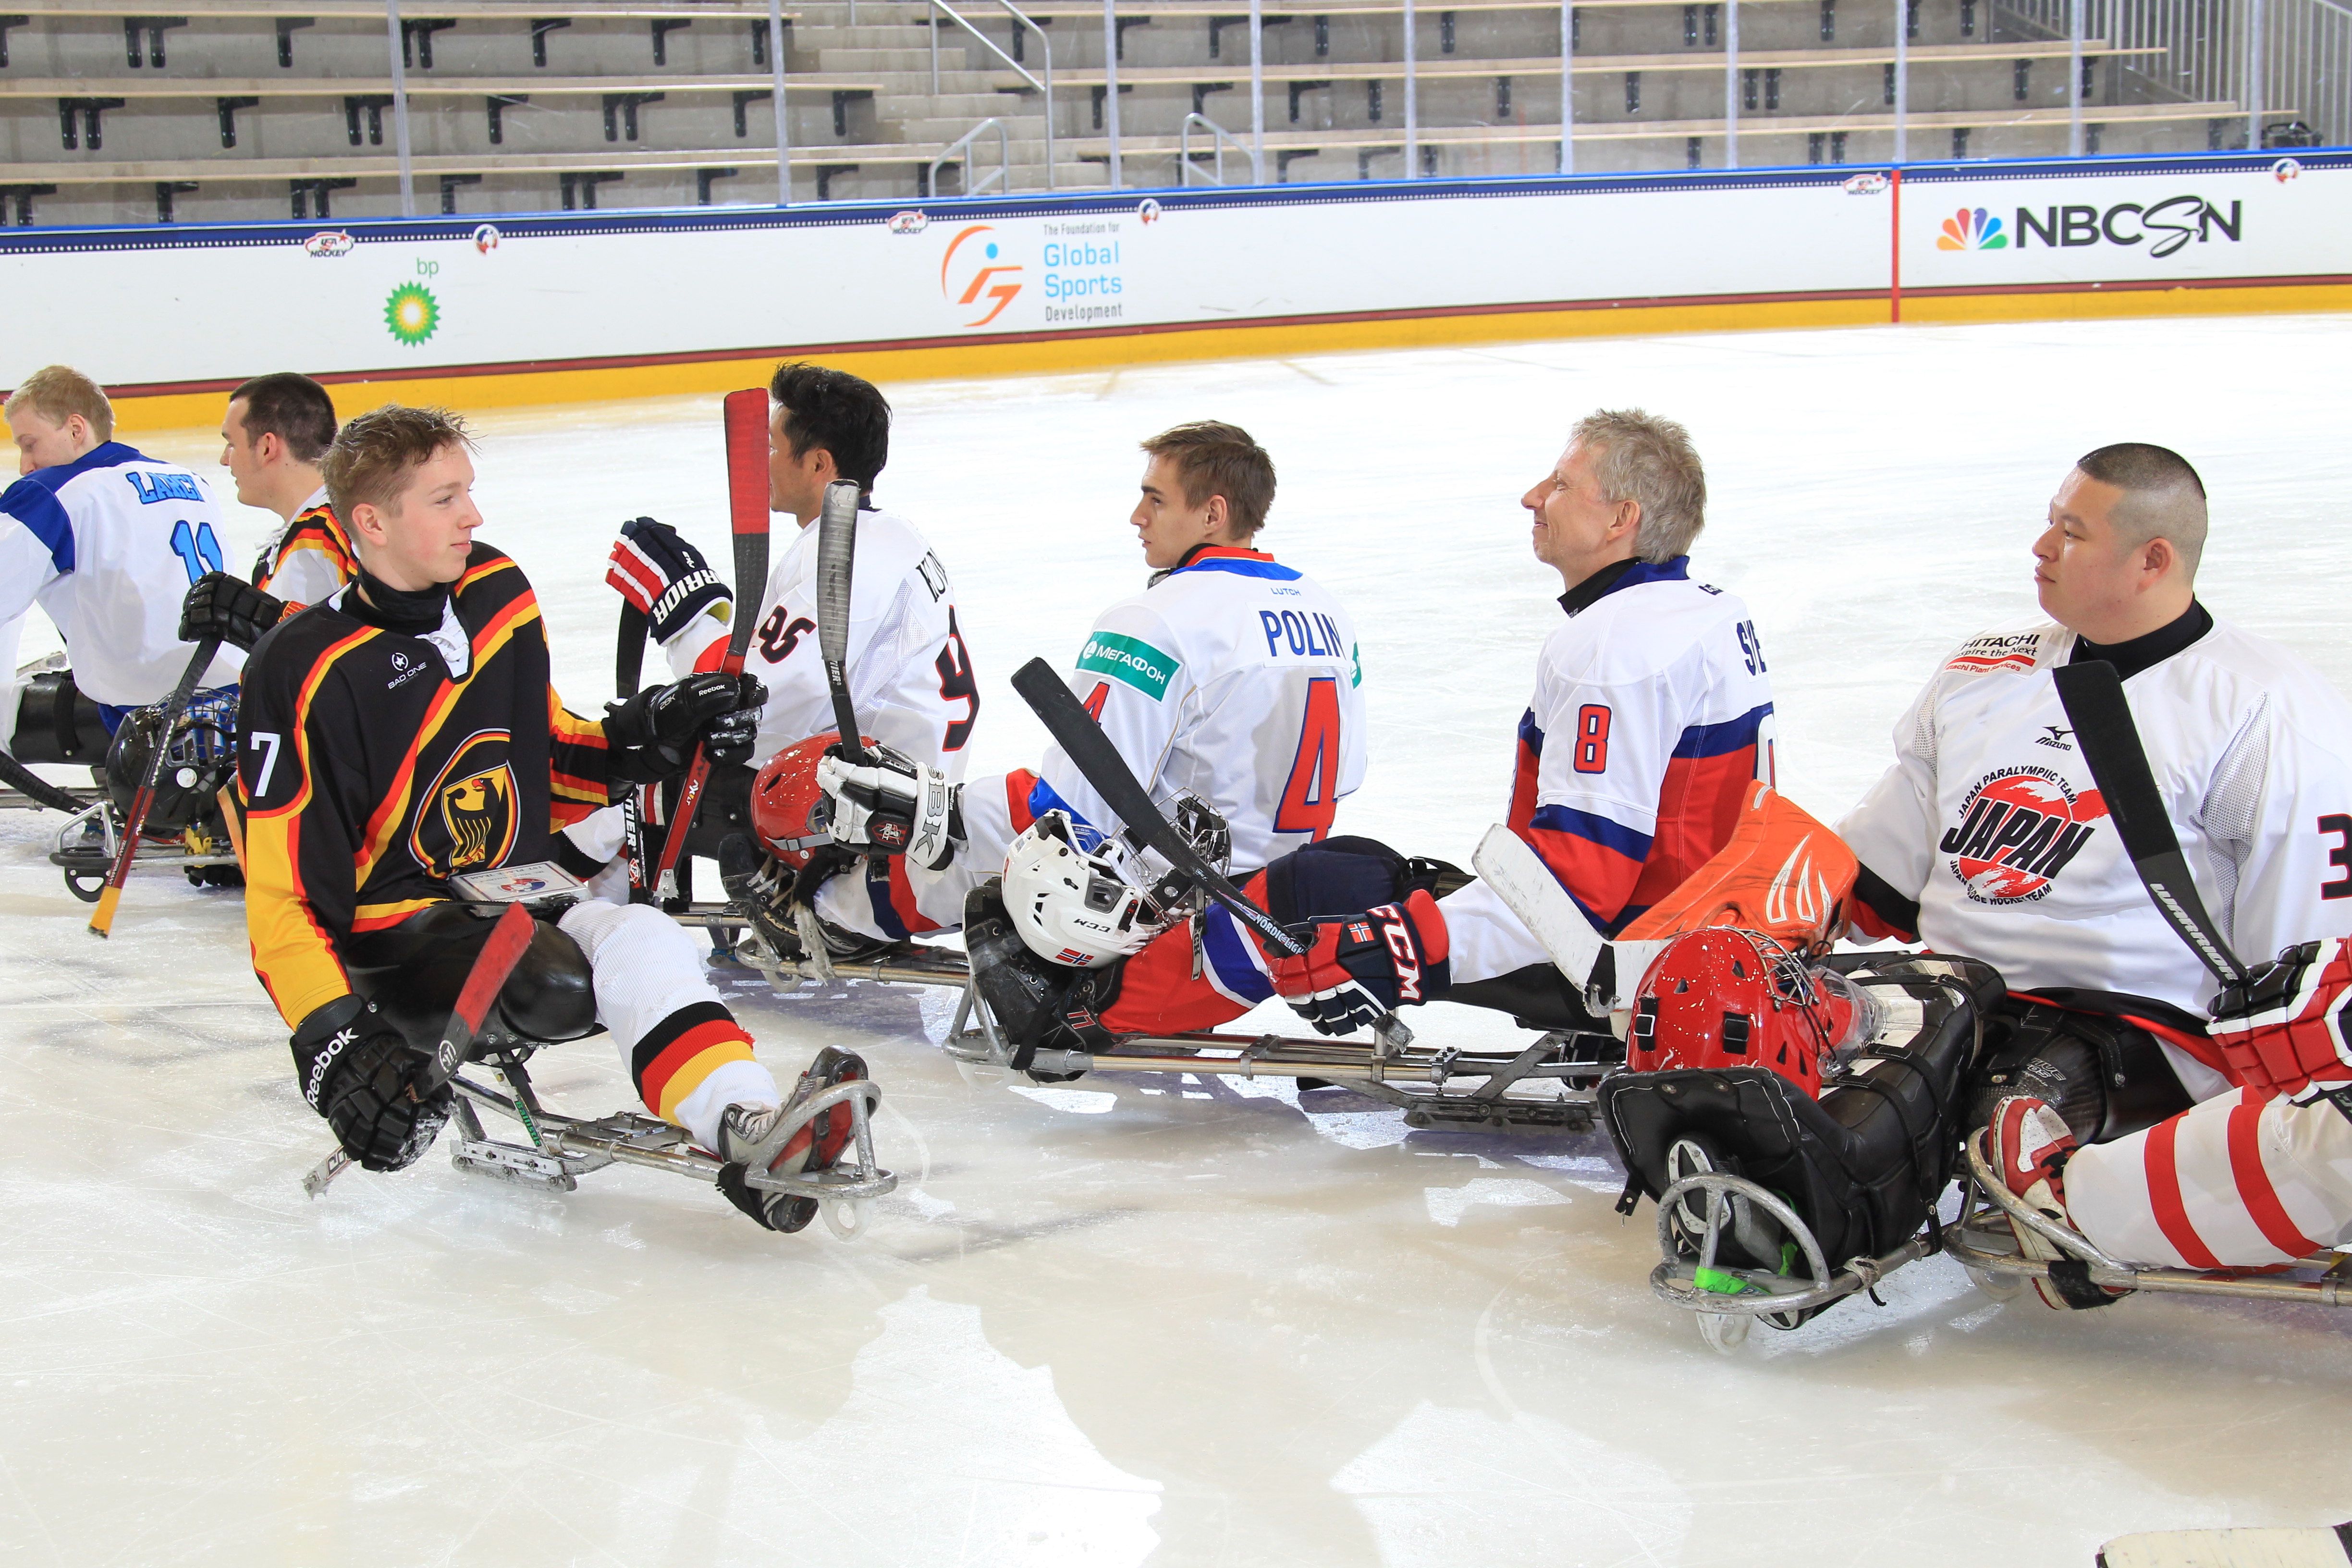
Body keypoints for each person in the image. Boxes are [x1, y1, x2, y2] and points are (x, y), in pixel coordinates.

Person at [963, 410, 1777, 1055]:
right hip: (1701, 932)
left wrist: (1394, 948)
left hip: (1634, 961)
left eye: (1561, 485)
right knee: (1365, 867)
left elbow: (1579, 881)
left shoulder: (1611, 645)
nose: (1534, 496)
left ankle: (1094, 1010)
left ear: (1622, 519)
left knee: (1312, 893)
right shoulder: (1706, 612)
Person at [236, 404, 864, 1234]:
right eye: (445, 499)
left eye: (469, 491)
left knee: (644, 935)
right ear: (372, 523)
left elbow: (549, 756)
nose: (473, 515)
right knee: (558, 978)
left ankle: (747, 1128)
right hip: (398, 934)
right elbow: (282, 896)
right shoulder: (301, 667)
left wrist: (654, 731)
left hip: (517, 895)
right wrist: (337, 1041)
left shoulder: (496, 593)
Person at [1831, 443, 2352, 1299]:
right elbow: (1877, 876)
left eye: (2072, 533)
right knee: (1793, 1069)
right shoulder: (1982, 670)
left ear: (2153, 559)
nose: (2042, 547)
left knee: (1973, 1122)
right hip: (1952, 992)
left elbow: (2299, 986)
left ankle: (2093, 1201)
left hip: (2133, 1027)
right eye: (2050, 523)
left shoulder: (2268, 711)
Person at [803, 419, 1367, 978]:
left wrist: (938, 808)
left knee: (1000, 846)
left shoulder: (1159, 618)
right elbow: (1347, 775)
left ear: (1212, 514)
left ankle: (836, 917)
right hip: (1278, 899)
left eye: (1156, 500)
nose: (1138, 517)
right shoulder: (1327, 612)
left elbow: (1071, 807)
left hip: (1165, 911)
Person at [578, 363, 977, 917]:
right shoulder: (883, 534)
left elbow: (750, 711)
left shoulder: (842, 556)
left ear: (818, 464)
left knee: (630, 778)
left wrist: (686, 615)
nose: (760, 462)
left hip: (868, 824)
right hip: (901, 796)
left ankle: (590, 927)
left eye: (772, 446)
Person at [0, 365, 243, 771]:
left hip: (142, 715)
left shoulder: (52, 492)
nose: (26, 465)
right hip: (236, 698)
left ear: (76, 429)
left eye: (30, 444)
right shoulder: (192, 481)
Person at [179, 372, 357, 658]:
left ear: (266, 447)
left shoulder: (337, 526)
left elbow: (392, 645)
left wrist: (271, 620)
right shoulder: (300, 535)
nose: (224, 459)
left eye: (232, 444)